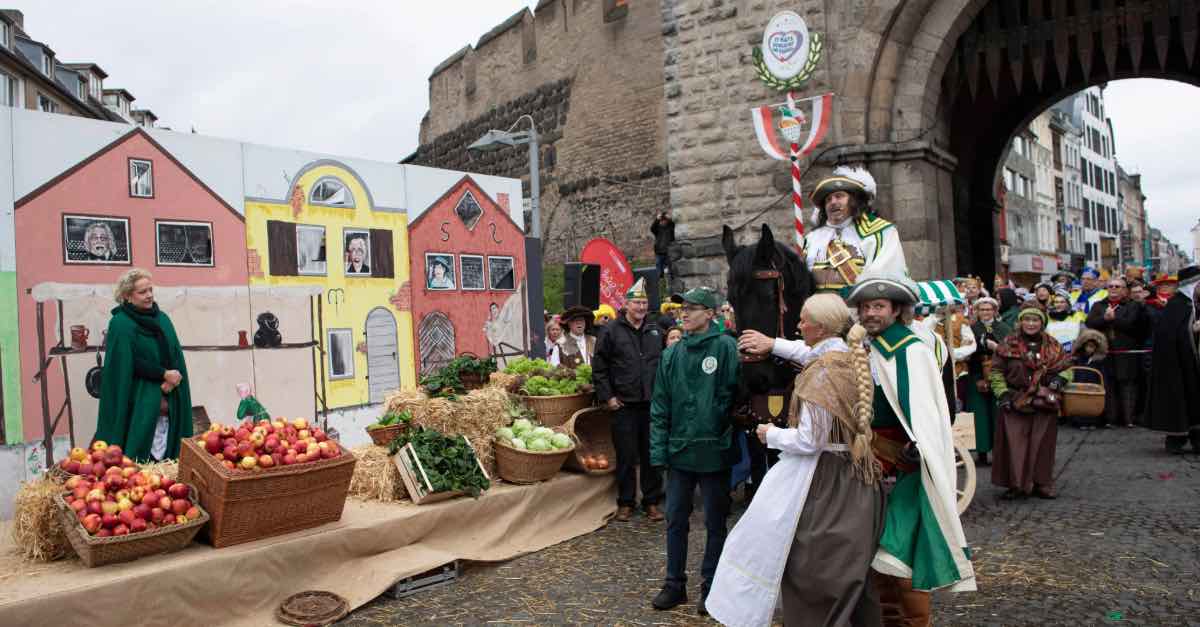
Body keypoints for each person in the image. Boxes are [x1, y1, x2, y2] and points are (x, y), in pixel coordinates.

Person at [708, 295, 884, 627]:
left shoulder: (822, 376)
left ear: (821, 327)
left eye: (804, 320)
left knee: (812, 570)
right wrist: (774, 344)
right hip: (856, 476)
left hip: (828, 482)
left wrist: (770, 434)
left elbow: (809, 439)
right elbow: (807, 354)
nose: (798, 326)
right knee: (851, 571)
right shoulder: (849, 357)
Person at [846, 269, 975, 625]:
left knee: (900, 553)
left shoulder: (912, 351)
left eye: (878, 306)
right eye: (865, 307)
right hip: (871, 465)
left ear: (896, 310)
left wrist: (918, 448)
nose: (870, 313)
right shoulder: (862, 349)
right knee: (878, 559)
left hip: (908, 468)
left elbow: (927, 412)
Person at [649, 287, 741, 615]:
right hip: (679, 452)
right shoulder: (671, 354)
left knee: (715, 523)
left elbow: (735, 396)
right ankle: (674, 585)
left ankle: (711, 587)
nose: (684, 313)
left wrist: (721, 428)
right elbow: (660, 405)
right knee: (675, 519)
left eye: (692, 308)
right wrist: (658, 451)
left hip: (714, 452)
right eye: (682, 308)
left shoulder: (726, 347)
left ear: (711, 313)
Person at [94, 269, 192, 461]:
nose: (149, 295)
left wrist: (172, 379)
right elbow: (126, 362)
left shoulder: (162, 319)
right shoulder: (121, 323)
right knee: (140, 453)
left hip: (170, 391)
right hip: (137, 394)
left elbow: (174, 353)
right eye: (142, 292)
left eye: (150, 290)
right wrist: (163, 374)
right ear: (127, 296)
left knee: (170, 451)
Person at [593, 278, 665, 523]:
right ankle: (625, 502)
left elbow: (663, 365)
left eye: (644, 303)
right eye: (637, 303)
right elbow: (599, 368)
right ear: (626, 305)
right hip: (623, 404)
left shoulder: (655, 330)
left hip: (651, 403)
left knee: (652, 455)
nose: (641, 307)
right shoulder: (610, 331)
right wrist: (608, 397)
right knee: (626, 456)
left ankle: (651, 501)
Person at [989, 304, 1073, 499]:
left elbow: (1067, 367)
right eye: (1027, 319)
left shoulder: (1053, 345)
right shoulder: (1007, 343)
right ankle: (1016, 485)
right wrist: (1003, 394)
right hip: (1015, 400)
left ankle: (1041, 483)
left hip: (1043, 401)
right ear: (1020, 322)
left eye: (1035, 320)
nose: (1031, 324)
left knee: (1042, 444)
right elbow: (996, 371)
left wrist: (1060, 379)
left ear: (1042, 323)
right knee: (1015, 445)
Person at [802, 165, 908, 294]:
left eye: (839, 196)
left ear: (853, 201)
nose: (833, 202)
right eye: (828, 199)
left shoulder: (881, 232)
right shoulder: (811, 239)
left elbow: (884, 277)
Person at [1145, 266, 1200, 453]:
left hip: (1193, 363)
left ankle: (1197, 439)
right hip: (1179, 364)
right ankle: (1176, 440)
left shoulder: (1195, 304)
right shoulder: (1177, 305)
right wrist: (1192, 329)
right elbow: (1169, 336)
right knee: (1180, 399)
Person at [1086, 276, 1148, 428]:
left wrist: (1114, 319)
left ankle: (1129, 419)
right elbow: (1090, 322)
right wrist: (1104, 319)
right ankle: (1111, 419)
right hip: (1105, 352)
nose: (1113, 289)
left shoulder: (1133, 305)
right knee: (1109, 385)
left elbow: (1133, 325)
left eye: (1117, 286)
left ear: (1125, 291)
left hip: (1126, 352)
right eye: (1110, 286)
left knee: (1128, 385)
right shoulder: (1099, 305)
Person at [965, 297, 1011, 465]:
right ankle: (982, 453)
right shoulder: (971, 329)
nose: (985, 312)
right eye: (982, 309)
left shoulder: (1004, 328)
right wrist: (978, 377)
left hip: (999, 374)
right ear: (977, 311)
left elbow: (1010, 351)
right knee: (979, 415)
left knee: (997, 414)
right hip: (976, 373)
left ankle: (999, 453)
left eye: (989, 309)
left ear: (995, 311)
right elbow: (968, 353)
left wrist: (995, 347)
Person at [651, 211, 676, 279]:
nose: (663, 222)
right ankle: (661, 278)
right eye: (662, 221)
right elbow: (652, 228)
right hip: (659, 252)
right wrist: (657, 219)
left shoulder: (670, 228)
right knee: (659, 266)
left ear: (667, 221)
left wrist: (670, 219)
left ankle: (672, 277)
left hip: (669, 251)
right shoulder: (657, 229)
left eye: (665, 220)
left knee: (671, 267)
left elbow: (673, 225)